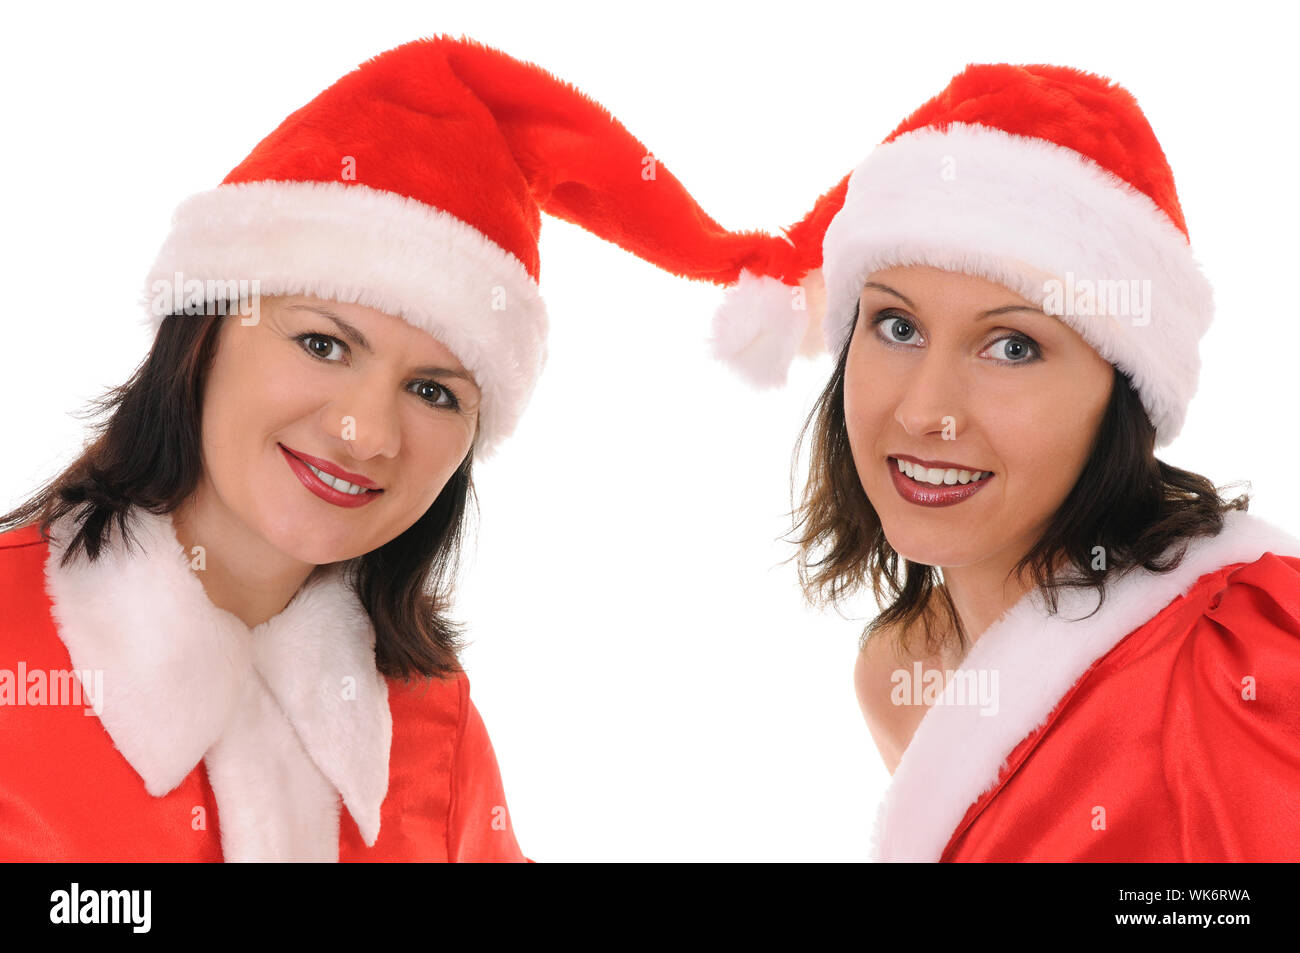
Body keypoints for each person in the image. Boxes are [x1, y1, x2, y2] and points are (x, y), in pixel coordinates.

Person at [0, 34, 779, 862]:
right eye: (323, 344)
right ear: (204, 332)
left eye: (434, 391)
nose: (366, 432)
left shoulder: (434, 721)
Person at [675, 64, 1300, 861]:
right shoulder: (899, 672)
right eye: (897, 327)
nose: (924, 410)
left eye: (1012, 346)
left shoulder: (1244, 654)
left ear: (1124, 389)